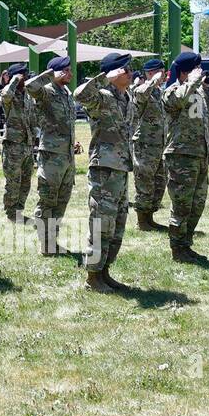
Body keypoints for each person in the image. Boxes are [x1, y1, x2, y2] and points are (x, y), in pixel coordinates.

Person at [74, 52, 134, 293]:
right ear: (115, 72)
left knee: (118, 223)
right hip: (104, 169)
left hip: (121, 167)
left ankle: (105, 271)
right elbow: (80, 94)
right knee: (101, 222)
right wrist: (104, 78)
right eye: (126, 70)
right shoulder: (101, 96)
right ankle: (92, 276)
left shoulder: (125, 97)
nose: (130, 74)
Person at [26, 56, 77, 257]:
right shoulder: (46, 92)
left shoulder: (66, 93)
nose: (70, 74)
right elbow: (30, 85)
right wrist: (50, 75)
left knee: (61, 201)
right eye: (67, 70)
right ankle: (44, 243)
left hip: (67, 155)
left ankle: (52, 241)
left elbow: (67, 123)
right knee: (47, 200)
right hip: (51, 155)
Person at [162, 51, 209, 263]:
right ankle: (177, 249)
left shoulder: (197, 93)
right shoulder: (172, 91)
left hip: (198, 155)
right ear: (185, 72)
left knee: (197, 203)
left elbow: (198, 121)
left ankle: (186, 244)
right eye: (196, 69)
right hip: (180, 156)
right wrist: (190, 82)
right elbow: (178, 101)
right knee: (181, 205)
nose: (201, 73)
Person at [130, 58, 168, 231]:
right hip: (145, 144)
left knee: (159, 182)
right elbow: (139, 94)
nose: (165, 75)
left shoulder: (159, 92)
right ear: (152, 73)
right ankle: (142, 221)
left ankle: (150, 217)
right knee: (145, 182)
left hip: (159, 144)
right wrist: (152, 80)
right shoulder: (141, 90)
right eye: (161, 71)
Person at [0, 62, 35, 222]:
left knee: (26, 181)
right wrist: (13, 80)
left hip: (27, 145)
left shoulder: (27, 96)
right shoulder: (9, 95)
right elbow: (5, 94)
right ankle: (10, 212)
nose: (26, 77)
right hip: (13, 145)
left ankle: (19, 210)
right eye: (23, 75)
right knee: (13, 182)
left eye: (26, 75)